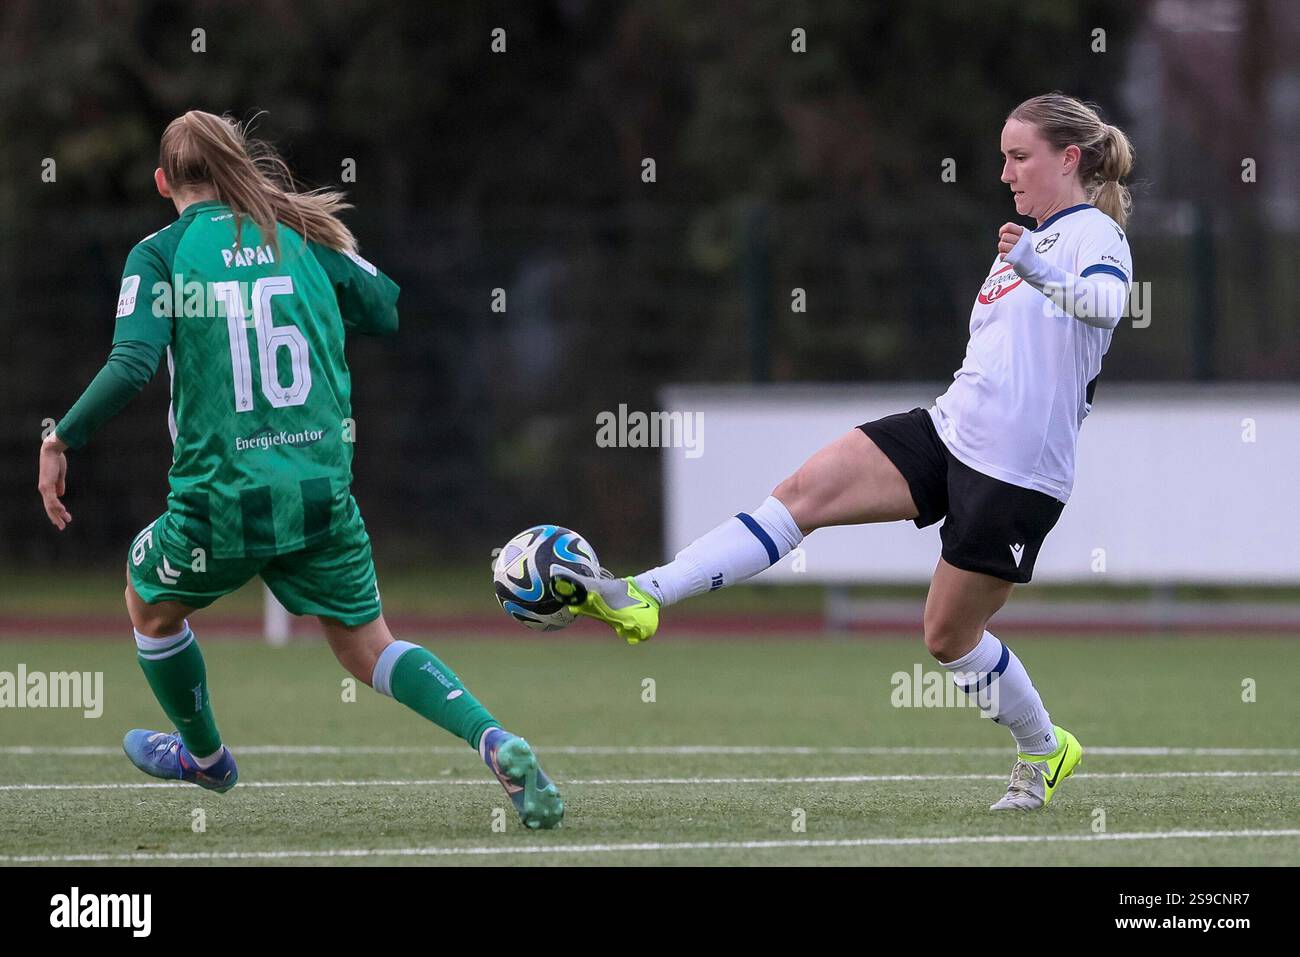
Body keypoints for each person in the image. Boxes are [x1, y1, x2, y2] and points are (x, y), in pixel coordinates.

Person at [553, 92, 1135, 812]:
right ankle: (643, 593)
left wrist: (1038, 269)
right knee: (803, 492)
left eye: (1019, 157)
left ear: (1069, 158)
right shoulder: (1020, 245)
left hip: (1017, 474)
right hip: (947, 431)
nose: (1006, 173)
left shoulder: (1091, 236)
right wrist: (1024, 267)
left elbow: (1110, 306)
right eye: (1002, 158)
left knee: (948, 636)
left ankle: (1046, 749)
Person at [37, 110, 563, 829]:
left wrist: (60, 437)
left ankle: (205, 756)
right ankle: (492, 738)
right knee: (369, 646)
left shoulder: (160, 254)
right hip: (321, 495)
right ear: (234, 169)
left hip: (216, 504)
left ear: (163, 182)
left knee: (147, 604)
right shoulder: (299, 235)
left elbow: (131, 365)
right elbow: (386, 309)